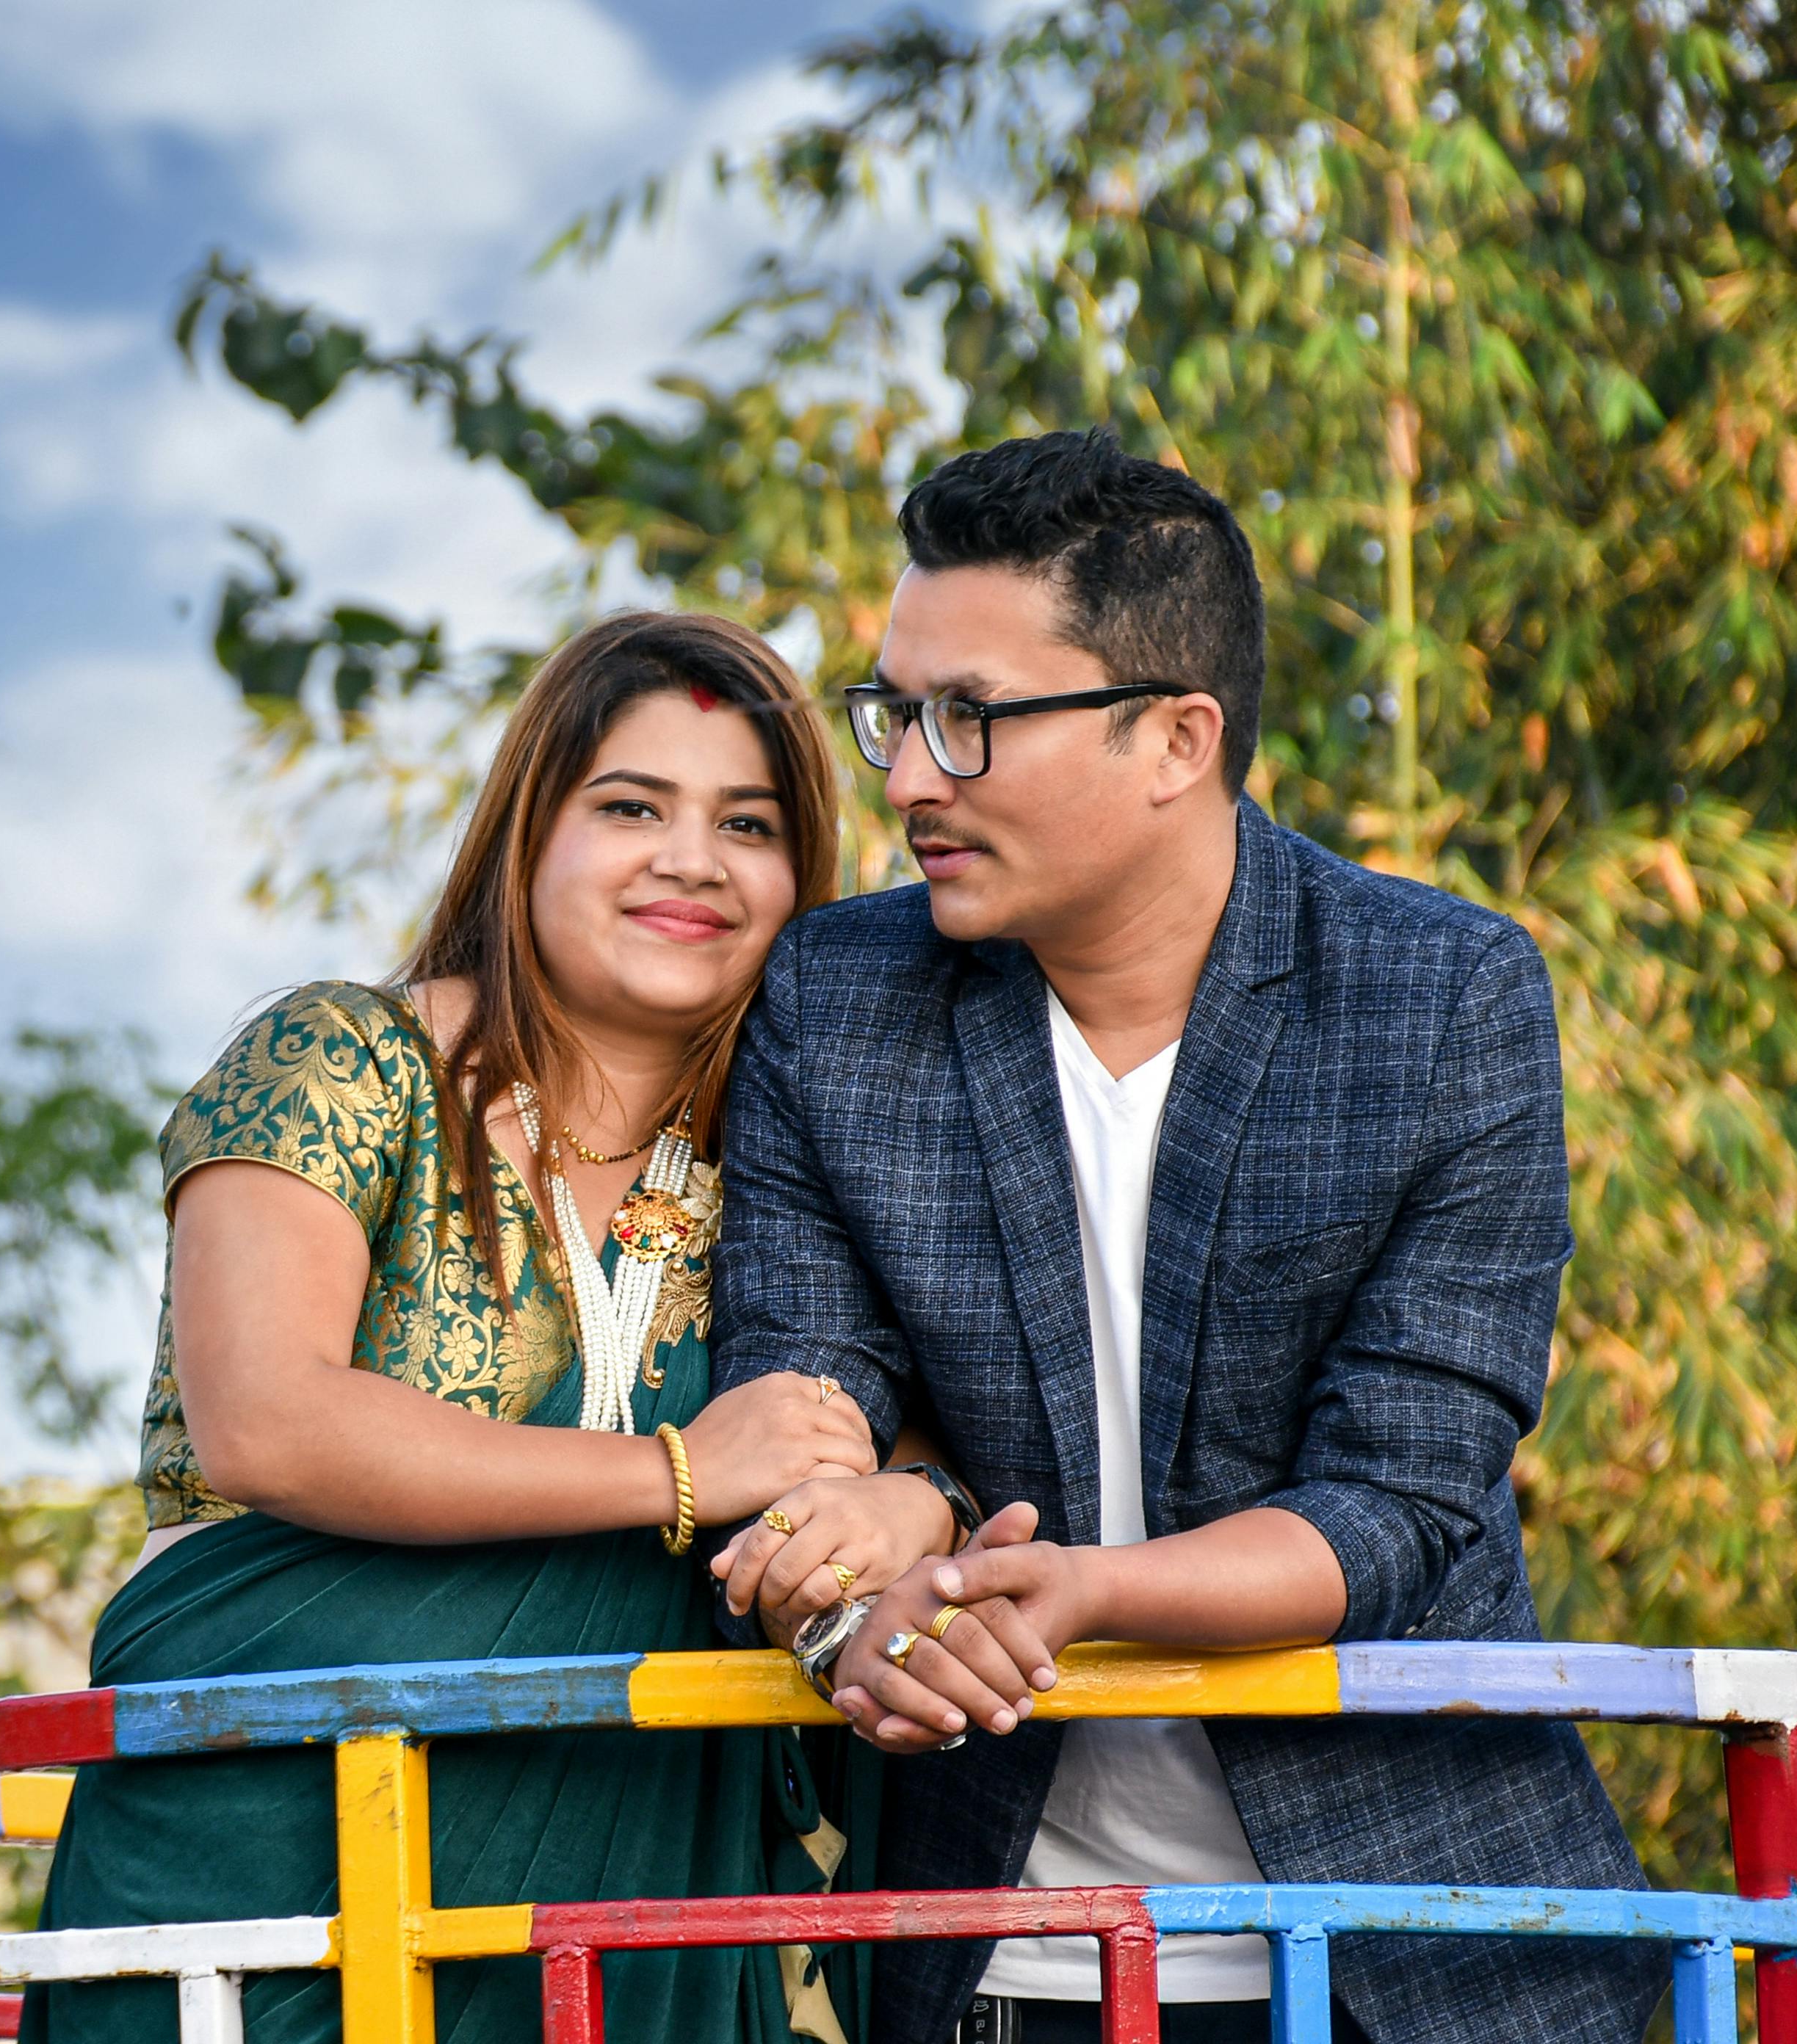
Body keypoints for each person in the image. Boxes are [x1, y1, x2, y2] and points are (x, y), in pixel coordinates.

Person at [707, 432, 1665, 2044]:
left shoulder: (1441, 997)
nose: (909, 779)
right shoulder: (838, 995)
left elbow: (1404, 1498)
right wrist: (840, 1599)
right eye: (895, 712)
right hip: (998, 1948)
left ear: (1176, 737)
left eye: (969, 718)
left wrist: (1087, 1592)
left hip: (1404, 1939)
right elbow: (803, 1390)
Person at [24, 611, 930, 2044]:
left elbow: (906, 1451)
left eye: (748, 825)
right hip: (268, 1875)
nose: (693, 860)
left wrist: (912, 1509)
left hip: (632, 1906)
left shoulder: (792, 1168)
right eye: (631, 807)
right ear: (527, 832)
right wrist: (679, 1475)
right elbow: (267, 1421)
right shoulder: (340, 1062)